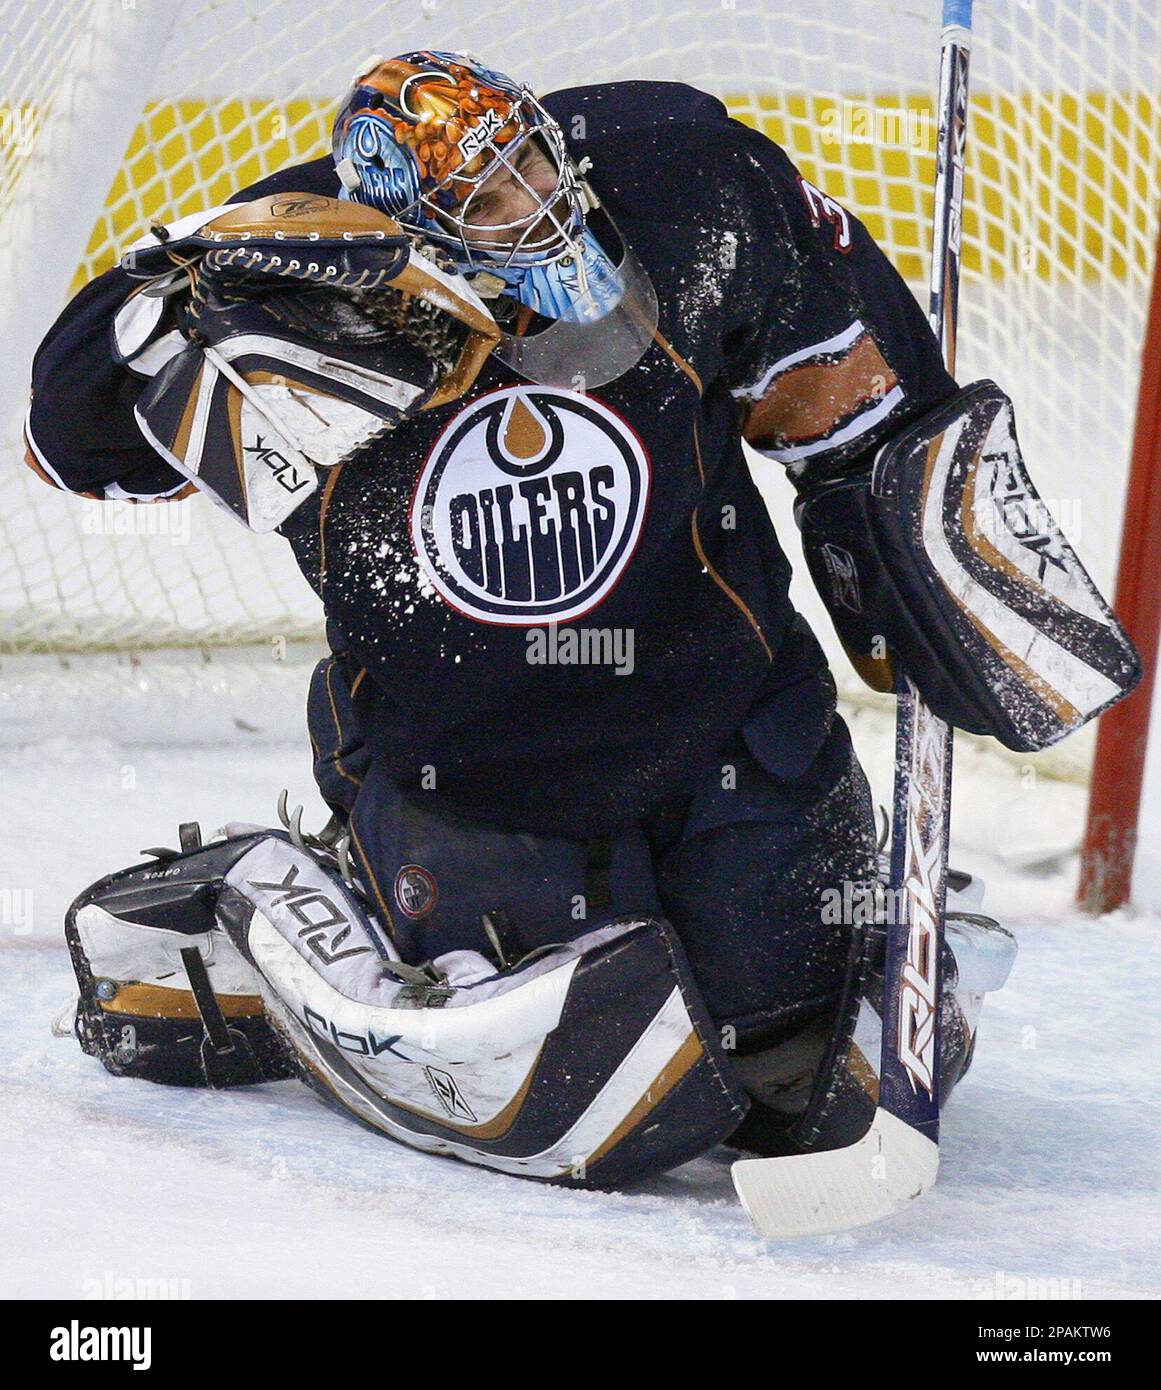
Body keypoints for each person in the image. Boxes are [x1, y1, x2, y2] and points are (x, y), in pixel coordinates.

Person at [40, 51, 1130, 1187]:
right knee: (576, 1038)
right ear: (419, 237)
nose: (537, 210)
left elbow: (864, 405)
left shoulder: (682, 190)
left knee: (783, 1037)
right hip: (468, 778)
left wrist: (911, 547)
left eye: (533, 168)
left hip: (728, 736)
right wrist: (186, 277)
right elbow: (64, 435)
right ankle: (317, 893)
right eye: (487, 200)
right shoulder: (291, 327)